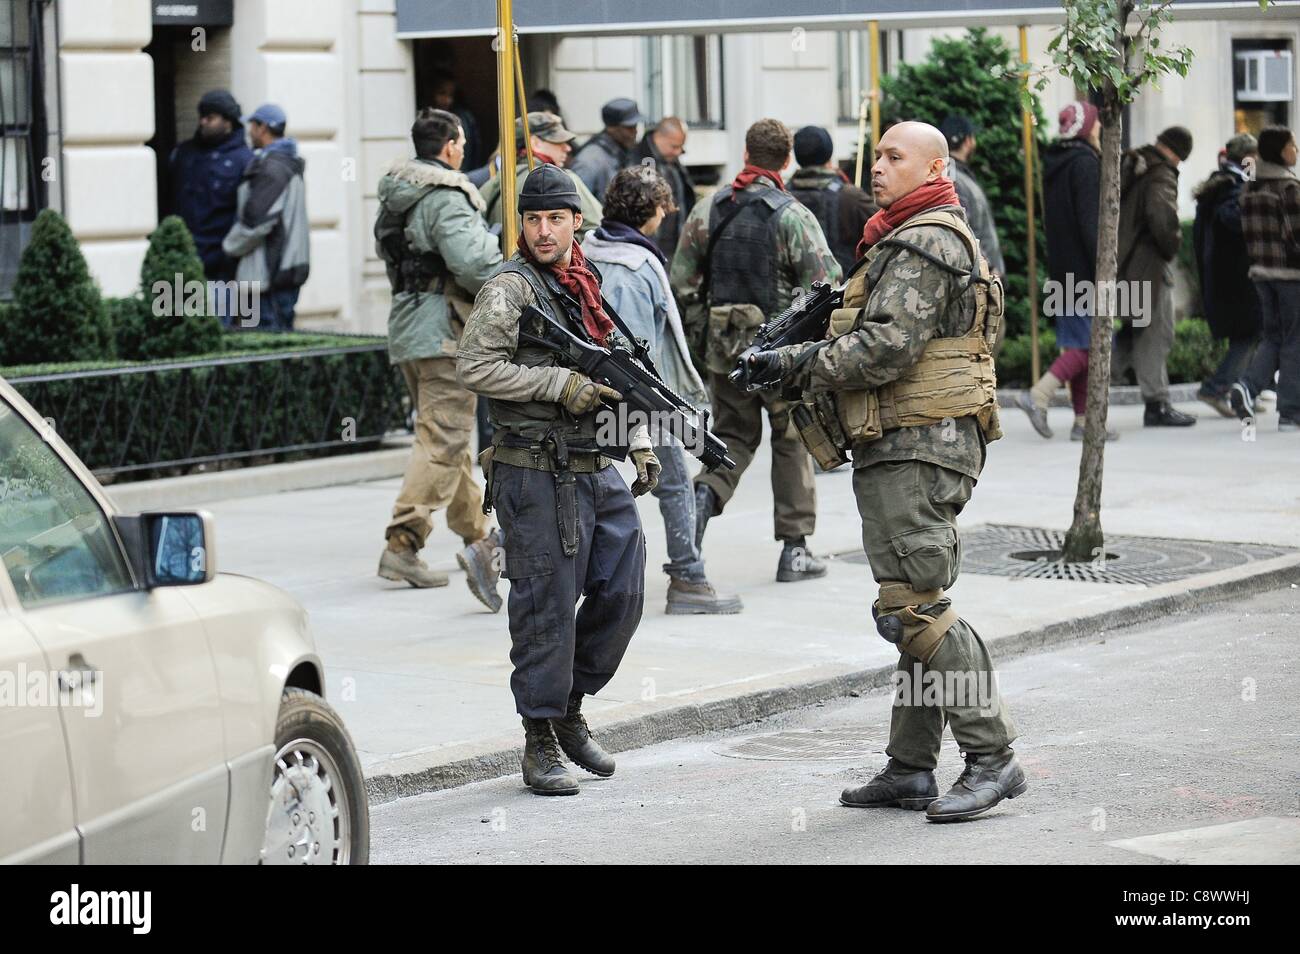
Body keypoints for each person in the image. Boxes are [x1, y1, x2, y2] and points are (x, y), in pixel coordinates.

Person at [744, 121, 1024, 823]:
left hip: (920, 442)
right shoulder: (904, 236)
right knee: (908, 604)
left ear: (934, 167)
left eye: (895, 157)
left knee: (918, 607)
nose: (878, 167)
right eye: (877, 156)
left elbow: (886, 349)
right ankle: (910, 769)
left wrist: (794, 364)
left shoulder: (926, 240)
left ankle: (992, 757)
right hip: (907, 439)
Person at [457, 164, 659, 795]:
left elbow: (613, 366)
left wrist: (640, 437)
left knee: (622, 589)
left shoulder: (584, 282)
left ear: (578, 221)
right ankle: (539, 736)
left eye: (555, 219)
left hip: (594, 462)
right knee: (545, 603)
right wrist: (557, 384)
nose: (543, 231)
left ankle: (569, 705)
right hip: (531, 468)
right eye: (533, 219)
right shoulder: (510, 288)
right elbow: (474, 365)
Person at [671, 118, 841, 583]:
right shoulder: (793, 216)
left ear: (746, 153)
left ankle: (703, 498)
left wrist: (707, 340)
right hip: (783, 358)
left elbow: (681, 284)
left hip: (725, 355)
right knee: (791, 443)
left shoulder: (709, 210)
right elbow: (827, 286)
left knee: (733, 439)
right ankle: (794, 550)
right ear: (786, 161)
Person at [583, 167, 742, 614]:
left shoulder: (600, 249)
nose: (666, 217)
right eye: (662, 209)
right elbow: (630, 344)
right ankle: (688, 577)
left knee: (590, 480)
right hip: (643, 394)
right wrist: (651, 405)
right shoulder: (631, 267)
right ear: (651, 213)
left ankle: (688, 574)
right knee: (670, 483)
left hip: (627, 392)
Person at [373, 108, 504, 608]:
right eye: (463, 141)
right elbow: (473, 263)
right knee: (443, 438)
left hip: (409, 327)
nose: (465, 149)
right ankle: (403, 543)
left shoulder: (396, 195)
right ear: (449, 146)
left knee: (448, 441)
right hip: (444, 331)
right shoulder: (446, 196)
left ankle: (477, 542)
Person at [1018, 101, 1117, 441]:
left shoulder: (1055, 163)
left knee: (1082, 344)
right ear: (1089, 127)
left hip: (1062, 268)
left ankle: (1083, 421)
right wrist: (1104, 268)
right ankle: (1039, 394)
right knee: (1095, 344)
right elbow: (1091, 224)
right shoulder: (1086, 164)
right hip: (1085, 270)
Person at [1112, 126, 1197, 426]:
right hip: (1148, 264)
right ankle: (1157, 404)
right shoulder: (1161, 173)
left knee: (1135, 329)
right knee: (1157, 332)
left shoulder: (1135, 162)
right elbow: (1162, 217)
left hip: (1124, 262)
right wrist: (1173, 243)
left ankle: (1083, 376)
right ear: (1177, 153)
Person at [1231, 125, 1300, 432]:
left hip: (1261, 274)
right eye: (1292, 145)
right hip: (1290, 275)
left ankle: (1247, 386)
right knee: (1294, 340)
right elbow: (1295, 237)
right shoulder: (1289, 188)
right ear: (1279, 151)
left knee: (1274, 336)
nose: (1296, 151)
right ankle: (1290, 412)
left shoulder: (1251, 187)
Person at [221, 104, 309, 331]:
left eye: (252, 125)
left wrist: (227, 248)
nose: (249, 131)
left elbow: (255, 224)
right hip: (281, 275)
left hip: (269, 279)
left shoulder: (272, 169)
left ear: (263, 128)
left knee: (268, 347)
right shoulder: (285, 163)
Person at [1192, 133, 1260, 417]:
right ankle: (1217, 387)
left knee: (1247, 334)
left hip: (1224, 276)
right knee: (1252, 332)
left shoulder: (1219, 183)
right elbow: (1233, 220)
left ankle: (1242, 390)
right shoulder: (1234, 187)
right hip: (1236, 278)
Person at [169, 89, 253, 285]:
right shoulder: (184, 154)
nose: (203, 122)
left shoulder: (245, 161)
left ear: (228, 122)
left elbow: (246, 216)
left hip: (221, 266)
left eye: (211, 118)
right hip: (183, 259)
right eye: (202, 117)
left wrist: (227, 255)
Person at [479, 111, 603, 239]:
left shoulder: (494, 183)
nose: (567, 148)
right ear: (535, 143)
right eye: (558, 141)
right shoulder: (566, 180)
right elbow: (597, 228)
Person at [787, 125, 877, 275]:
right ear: (829, 153)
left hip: (797, 295)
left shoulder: (783, 196)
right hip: (843, 293)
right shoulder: (851, 197)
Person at [939, 115, 1005, 276]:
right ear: (968, 141)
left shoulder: (956, 175)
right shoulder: (954, 177)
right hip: (977, 276)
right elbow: (962, 228)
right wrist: (989, 268)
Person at [629, 117, 695, 257]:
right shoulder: (636, 160)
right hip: (650, 246)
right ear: (659, 137)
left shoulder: (671, 162)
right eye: (674, 146)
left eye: (680, 147)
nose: (678, 152)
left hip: (675, 245)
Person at [569, 98, 646, 201]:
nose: (635, 131)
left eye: (635, 126)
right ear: (612, 128)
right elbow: (576, 204)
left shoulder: (625, 152)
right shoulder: (590, 160)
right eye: (629, 127)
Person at [428, 69, 483, 170]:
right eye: (442, 93)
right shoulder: (424, 120)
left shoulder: (464, 119)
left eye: (451, 95)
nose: (448, 100)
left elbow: (473, 152)